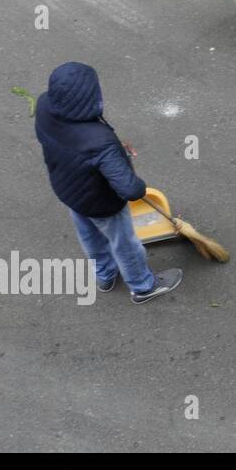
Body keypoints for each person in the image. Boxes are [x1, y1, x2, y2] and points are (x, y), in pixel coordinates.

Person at [34, 62, 183, 304]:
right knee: (125, 244)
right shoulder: (100, 140)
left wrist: (113, 151)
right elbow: (130, 189)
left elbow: (73, 146)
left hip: (69, 191)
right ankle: (143, 286)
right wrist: (119, 159)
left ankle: (105, 275)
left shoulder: (43, 106)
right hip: (102, 203)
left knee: (89, 237)